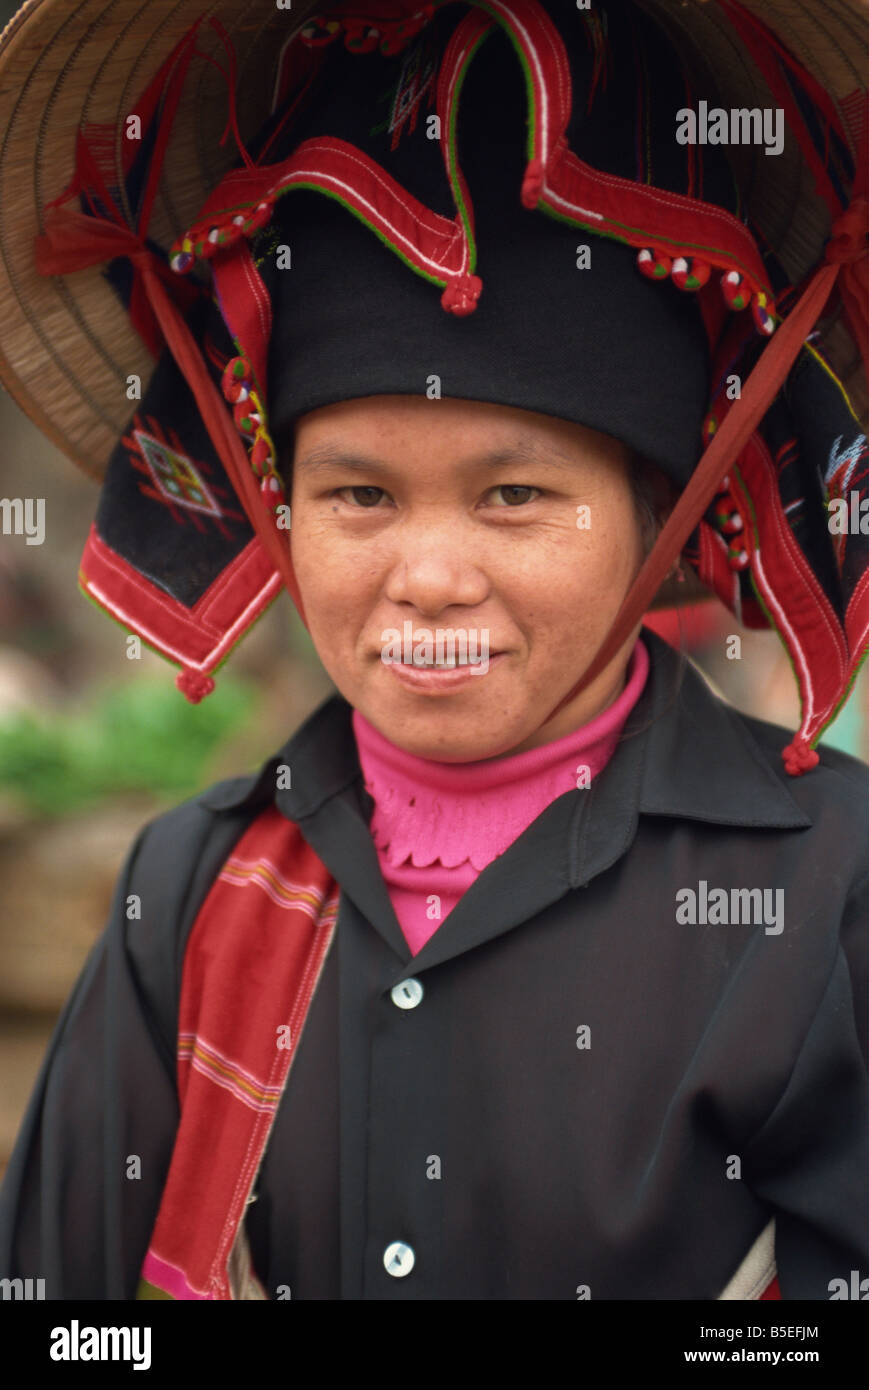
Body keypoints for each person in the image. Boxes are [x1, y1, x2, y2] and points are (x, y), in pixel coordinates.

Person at [0, 0, 868, 1301]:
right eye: (358, 495)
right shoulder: (181, 891)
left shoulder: (829, 886)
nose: (428, 575)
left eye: (512, 494)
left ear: (658, 511)